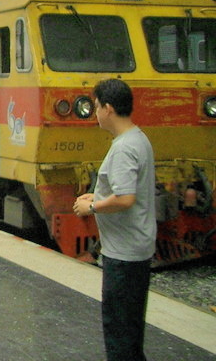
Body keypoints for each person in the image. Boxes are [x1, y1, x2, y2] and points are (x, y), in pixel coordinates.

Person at [73, 79, 155, 361]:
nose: (94, 113)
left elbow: (125, 199)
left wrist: (92, 207)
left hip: (123, 256)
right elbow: (125, 190)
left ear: (108, 109)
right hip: (135, 250)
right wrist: (96, 194)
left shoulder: (123, 148)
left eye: (96, 107)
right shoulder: (137, 138)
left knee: (120, 336)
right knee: (130, 333)